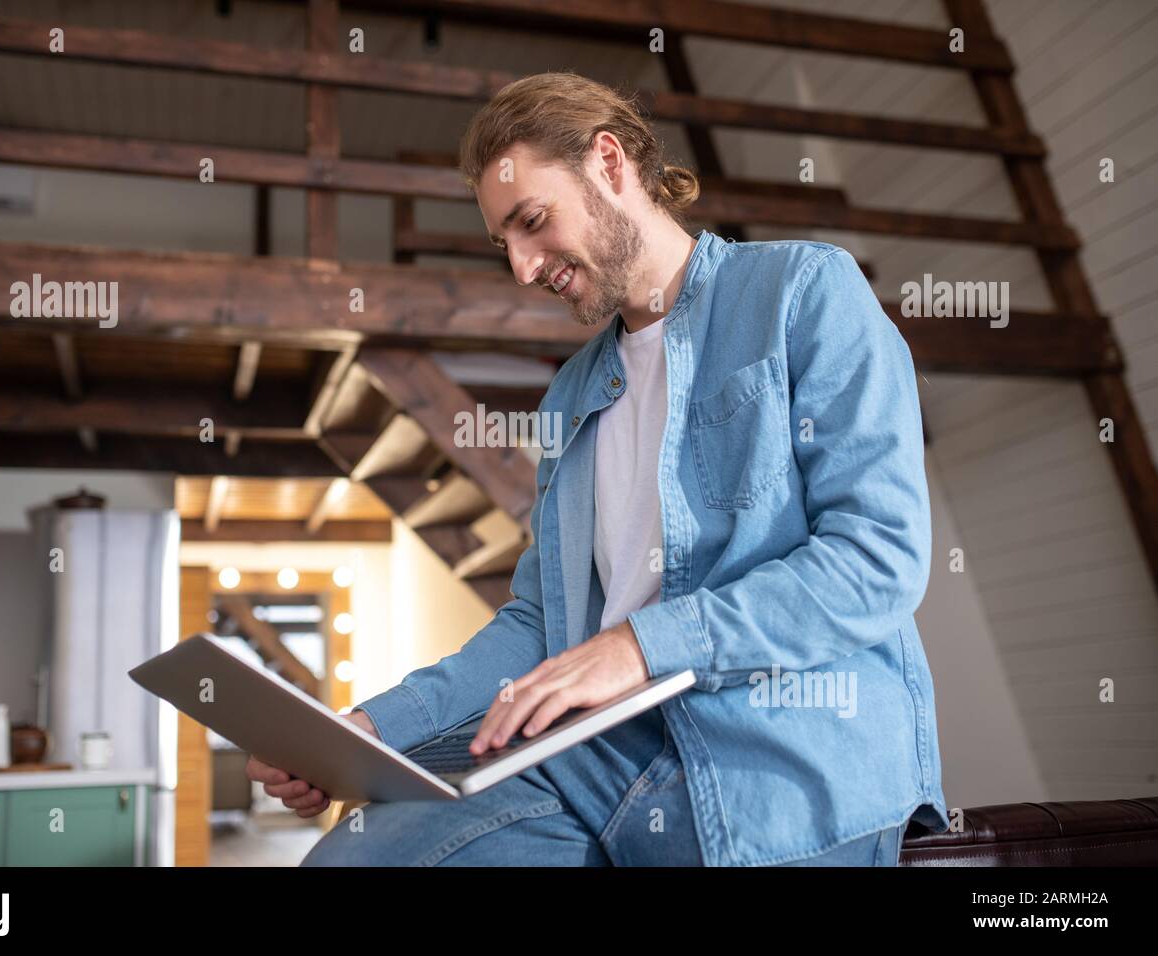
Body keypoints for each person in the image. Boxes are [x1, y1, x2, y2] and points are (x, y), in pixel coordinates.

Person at [247, 71, 950, 866]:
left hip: (779, 761)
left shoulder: (803, 292)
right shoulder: (572, 394)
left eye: (533, 221)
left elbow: (876, 561)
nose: (520, 266)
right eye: (503, 242)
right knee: (350, 859)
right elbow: (541, 624)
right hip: (598, 757)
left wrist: (637, 646)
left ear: (609, 163)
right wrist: (370, 731)